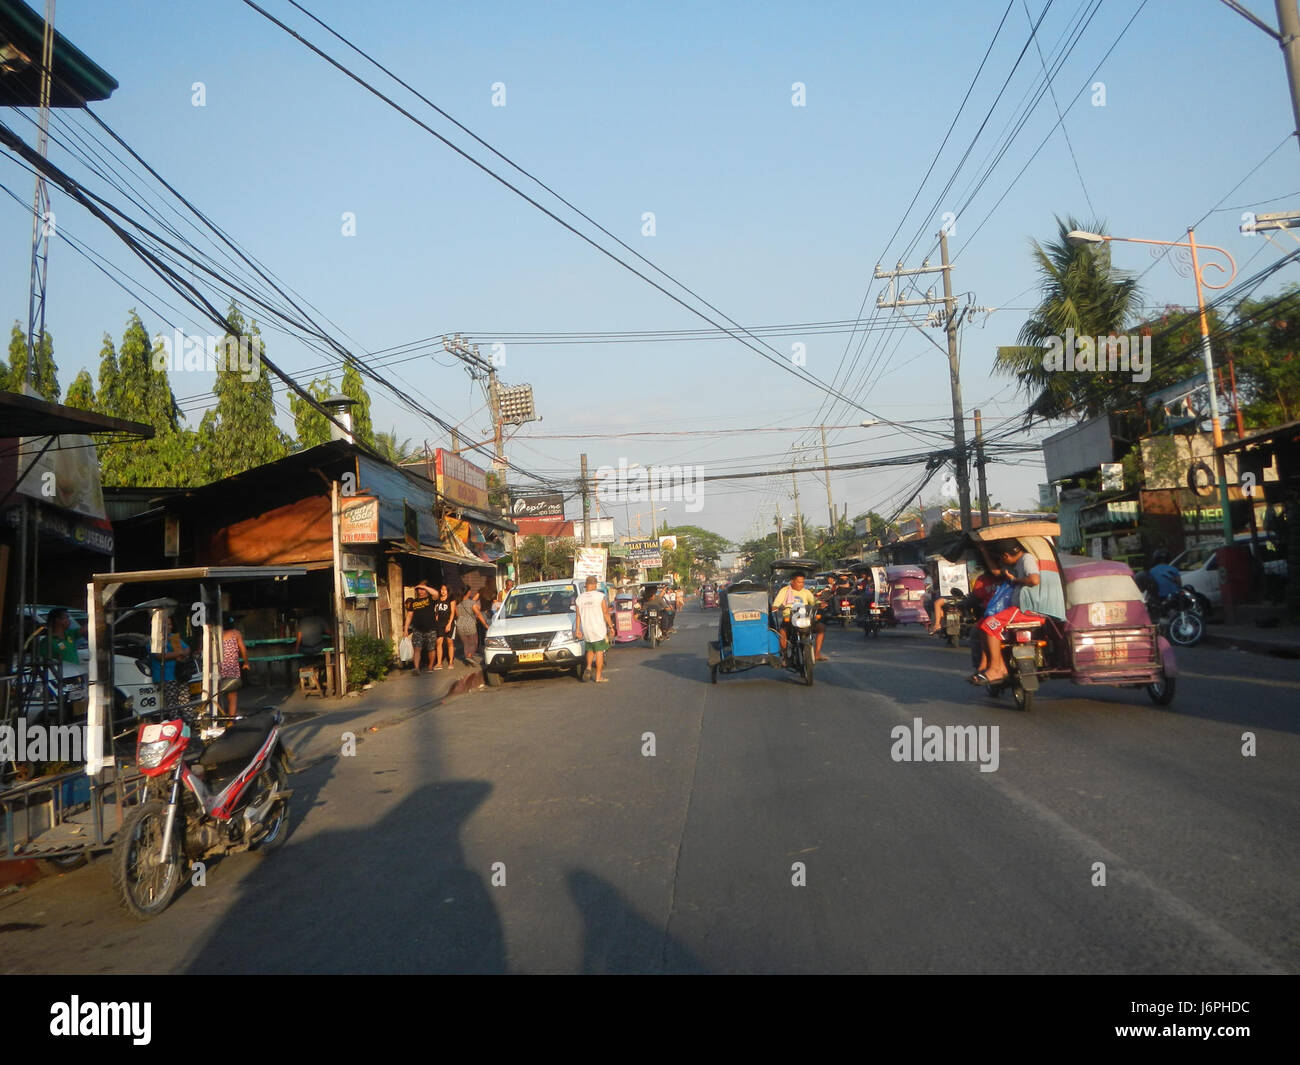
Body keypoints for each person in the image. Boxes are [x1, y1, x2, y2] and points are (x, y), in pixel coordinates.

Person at [973, 541, 1065, 685]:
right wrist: (984, 551)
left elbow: (1034, 580)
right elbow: (997, 572)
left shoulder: (1026, 559)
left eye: (1001, 558)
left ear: (1006, 555)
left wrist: (1016, 580)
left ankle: (996, 669)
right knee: (982, 624)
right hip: (1021, 609)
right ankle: (998, 665)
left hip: (1028, 610)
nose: (1001, 562)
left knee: (989, 626)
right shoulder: (1016, 564)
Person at [772, 572, 827, 662]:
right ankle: (785, 657)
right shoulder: (784, 591)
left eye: (802, 582)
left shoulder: (806, 592)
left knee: (821, 628)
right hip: (789, 619)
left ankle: (817, 653)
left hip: (805, 618)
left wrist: (820, 604)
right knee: (782, 631)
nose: (801, 584)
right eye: (799, 582)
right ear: (792, 581)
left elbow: (814, 601)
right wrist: (776, 607)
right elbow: (776, 604)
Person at [575, 575, 614, 682]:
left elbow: (578, 616)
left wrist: (577, 629)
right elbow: (606, 613)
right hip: (598, 629)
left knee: (590, 650)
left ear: (586, 585)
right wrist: (611, 626)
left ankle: (588, 667)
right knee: (600, 651)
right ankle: (598, 677)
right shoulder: (600, 596)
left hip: (587, 630)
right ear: (594, 584)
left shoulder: (579, 598)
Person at [151, 614, 192, 712]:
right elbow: (160, 656)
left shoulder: (173, 637)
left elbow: (187, 649)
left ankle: (189, 724)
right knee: (172, 705)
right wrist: (179, 653)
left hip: (179, 675)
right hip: (166, 677)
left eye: (170, 624)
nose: (170, 627)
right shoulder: (154, 640)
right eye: (167, 624)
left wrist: (179, 653)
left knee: (185, 704)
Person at [404, 580, 440, 674]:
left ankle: (430, 666)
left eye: (422, 589)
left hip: (430, 628)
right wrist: (405, 629)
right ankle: (416, 668)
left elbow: (436, 593)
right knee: (417, 648)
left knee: (431, 648)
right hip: (417, 629)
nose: (420, 591)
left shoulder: (431, 599)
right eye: (419, 589)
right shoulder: (413, 602)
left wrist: (424, 587)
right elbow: (409, 616)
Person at [219, 615, 250, 715]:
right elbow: (243, 650)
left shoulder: (216, 635)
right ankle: (230, 720)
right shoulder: (236, 634)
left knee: (217, 695)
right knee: (232, 695)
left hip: (218, 668)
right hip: (232, 667)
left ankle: (220, 716)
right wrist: (246, 663)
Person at [456, 588, 489, 664]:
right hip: (470, 624)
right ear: (468, 592)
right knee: (474, 642)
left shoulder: (458, 603)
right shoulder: (471, 603)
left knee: (466, 643)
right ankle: (469, 656)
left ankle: (467, 656)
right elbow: (479, 614)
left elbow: (457, 615)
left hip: (460, 625)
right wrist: (485, 625)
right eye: (470, 591)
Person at [433, 585, 455, 669]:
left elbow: (452, 612)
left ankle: (451, 662)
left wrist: (449, 624)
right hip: (440, 624)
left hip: (449, 622)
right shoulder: (438, 600)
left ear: (448, 591)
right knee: (439, 642)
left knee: (449, 642)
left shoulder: (451, 600)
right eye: (442, 589)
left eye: (445, 590)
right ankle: (439, 663)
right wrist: (436, 618)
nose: (443, 591)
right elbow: (436, 612)